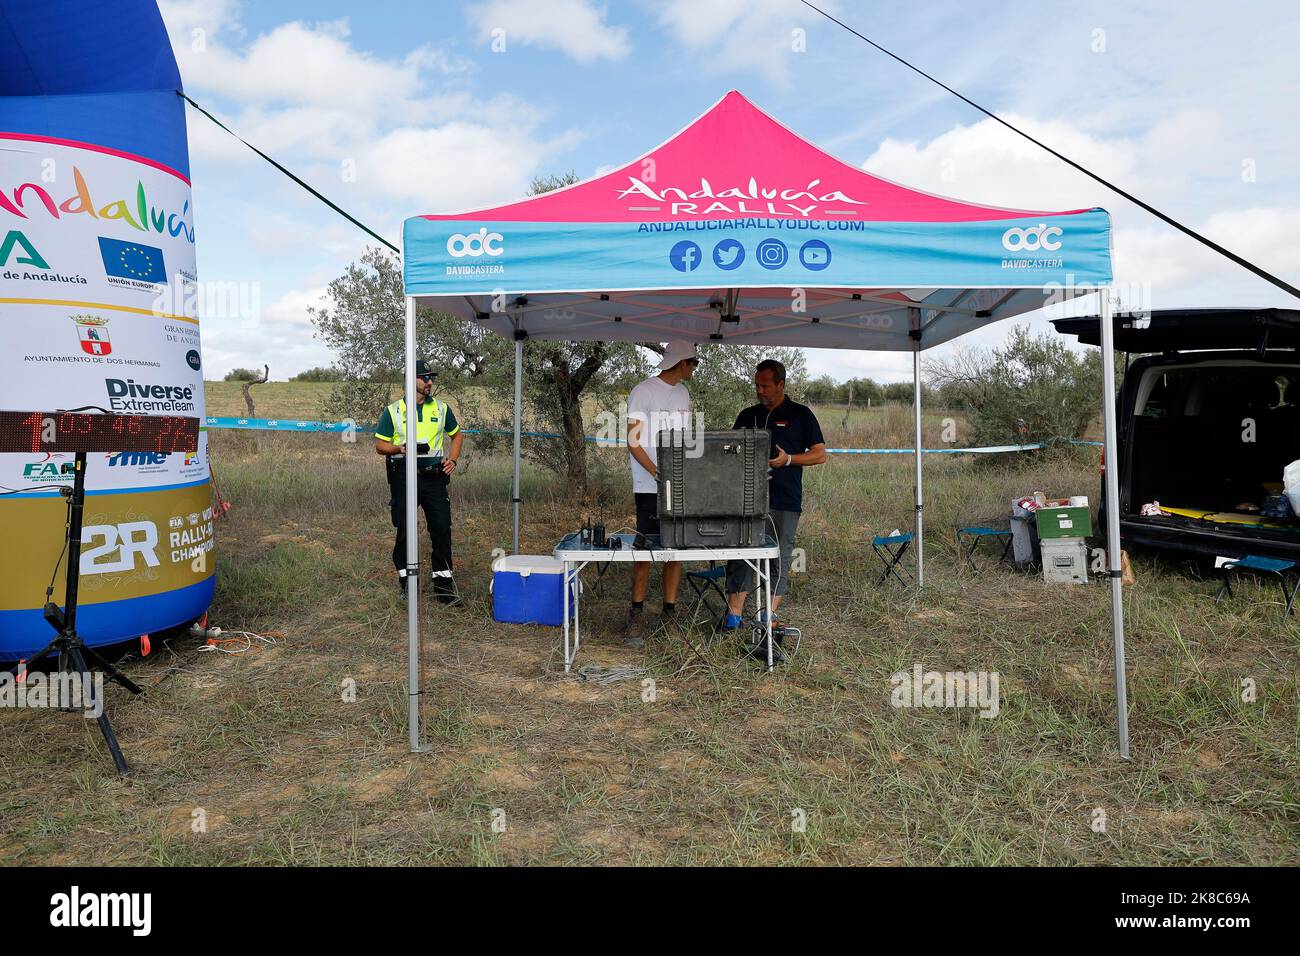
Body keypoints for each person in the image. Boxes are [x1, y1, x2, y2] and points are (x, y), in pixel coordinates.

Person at [723, 359, 826, 657]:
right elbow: (729, 451)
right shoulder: (747, 415)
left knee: (780, 556)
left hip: (785, 500)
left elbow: (820, 455)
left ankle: (767, 616)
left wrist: (788, 460)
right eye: (756, 385)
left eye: (765, 386)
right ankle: (734, 617)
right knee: (741, 553)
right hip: (746, 500)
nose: (759, 390)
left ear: (781, 384)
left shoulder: (802, 415)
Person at [624, 340, 699, 646]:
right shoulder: (643, 391)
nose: (695, 368)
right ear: (682, 363)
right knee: (646, 550)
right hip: (648, 486)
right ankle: (636, 615)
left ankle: (669, 614)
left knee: (675, 549)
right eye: (693, 363)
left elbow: (685, 440)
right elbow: (632, 440)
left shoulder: (684, 393)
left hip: (678, 484)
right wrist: (657, 472)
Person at [374, 359, 464, 604]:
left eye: (431, 378)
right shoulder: (393, 411)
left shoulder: (442, 409)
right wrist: (398, 448)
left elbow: (457, 436)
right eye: (425, 378)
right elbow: (380, 446)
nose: (430, 382)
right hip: (403, 477)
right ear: (410, 381)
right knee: (405, 529)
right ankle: (407, 583)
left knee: (442, 528)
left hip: (434, 478)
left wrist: (453, 461)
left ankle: (444, 587)